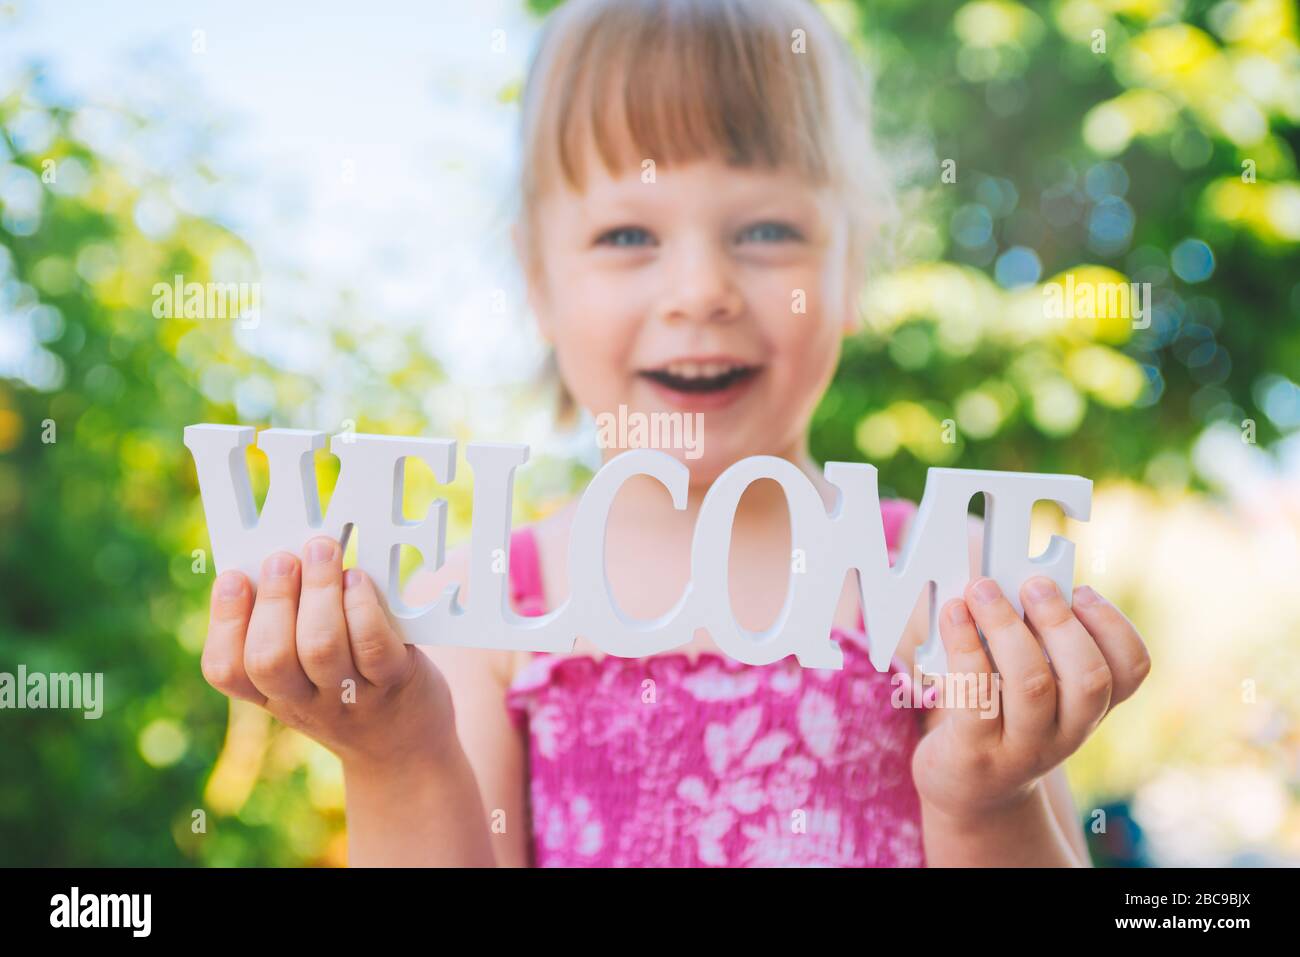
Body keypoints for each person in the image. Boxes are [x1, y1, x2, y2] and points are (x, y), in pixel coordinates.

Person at [201, 0, 1151, 866]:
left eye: (767, 230)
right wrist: (394, 755)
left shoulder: (947, 591)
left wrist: (987, 802)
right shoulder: (484, 608)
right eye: (627, 236)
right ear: (538, 279)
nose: (701, 289)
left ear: (851, 268)